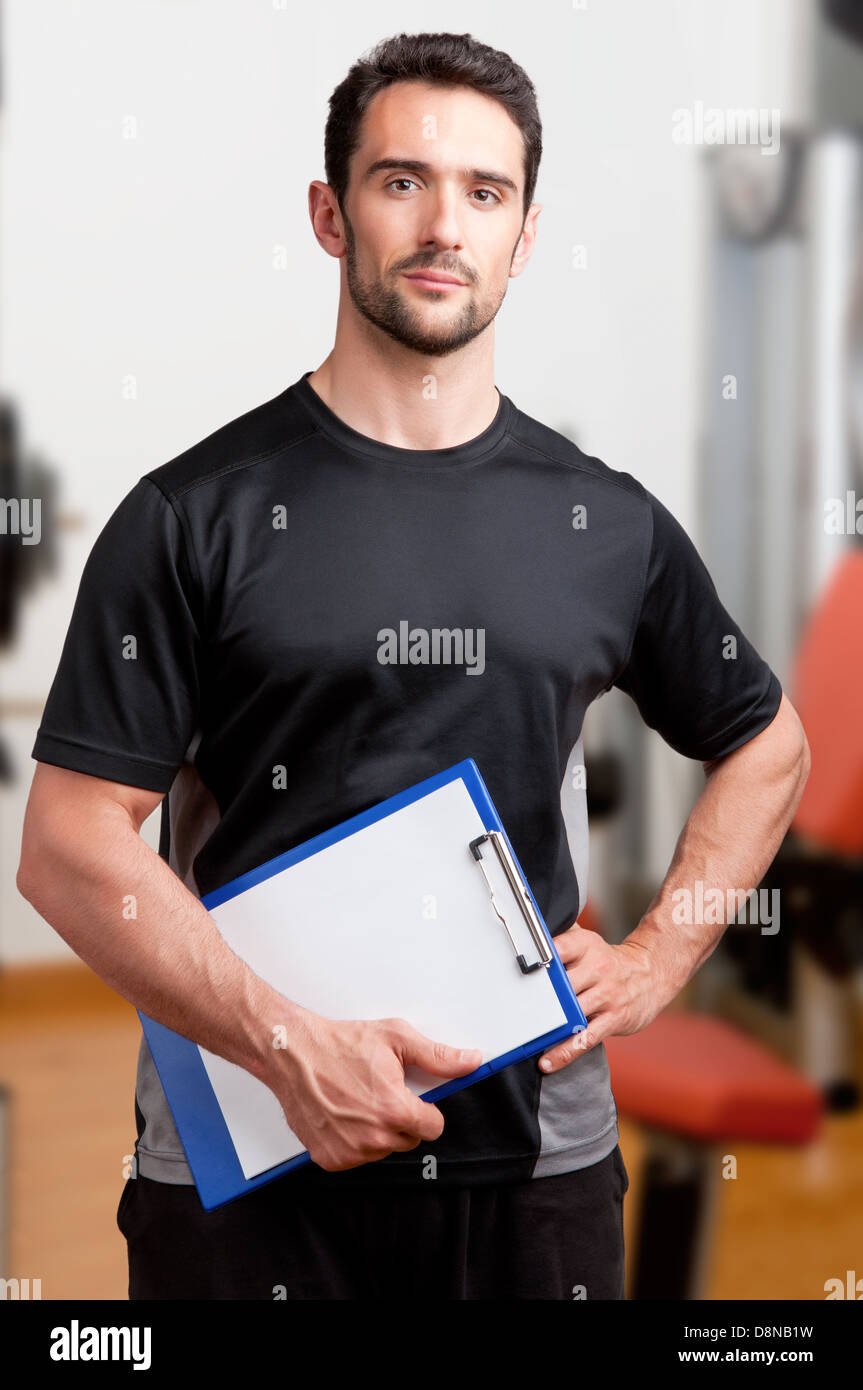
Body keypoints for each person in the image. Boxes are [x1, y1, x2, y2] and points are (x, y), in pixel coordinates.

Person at [16, 30, 810, 1301]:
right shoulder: (193, 514)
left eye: (483, 192)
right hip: (244, 1156)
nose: (444, 223)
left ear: (524, 234)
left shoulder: (601, 523)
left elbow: (765, 745)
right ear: (330, 215)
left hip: (532, 1161)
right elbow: (65, 843)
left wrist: (667, 948)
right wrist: (289, 1049)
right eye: (402, 181)